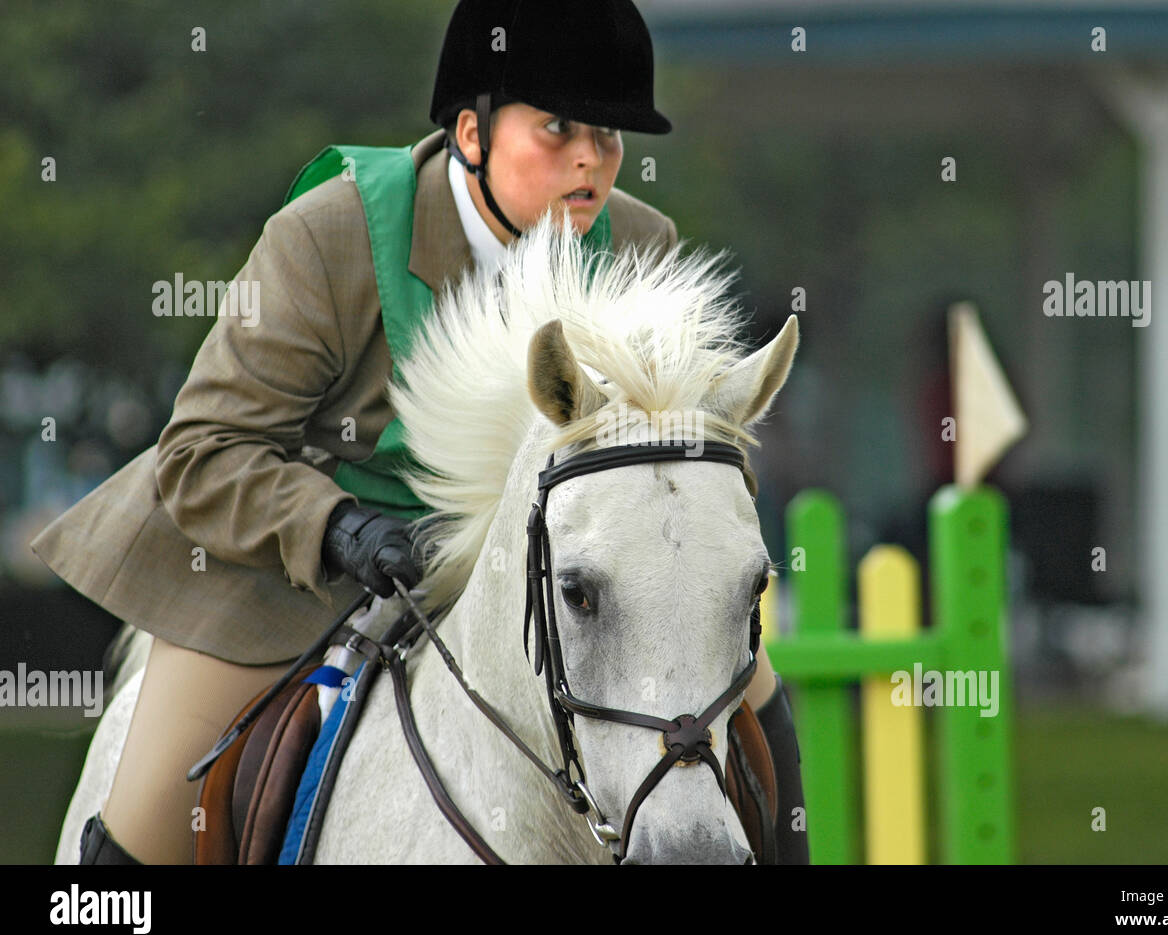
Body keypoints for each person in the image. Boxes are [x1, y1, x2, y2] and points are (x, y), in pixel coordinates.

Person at [33, 0, 806, 865]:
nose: (592, 160)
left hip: (532, 569)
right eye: (558, 128)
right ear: (470, 133)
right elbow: (203, 453)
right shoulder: (332, 234)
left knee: (756, 705)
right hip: (296, 570)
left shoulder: (636, 240)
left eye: (611, 137)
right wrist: (339, 527)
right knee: (144, 827)